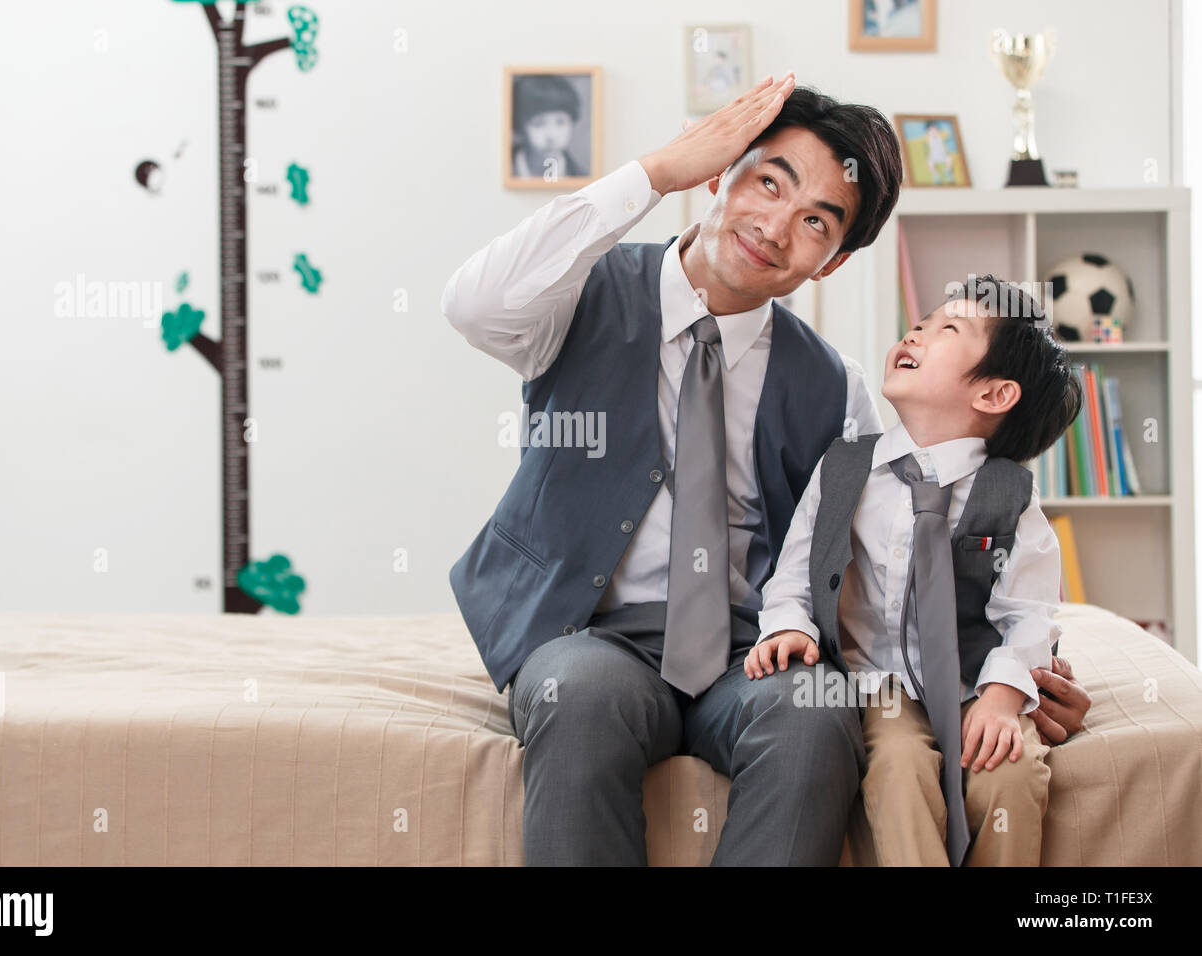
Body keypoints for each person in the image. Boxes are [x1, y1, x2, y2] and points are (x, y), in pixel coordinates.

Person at [443, 73, 1090, 866]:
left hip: (753, 652)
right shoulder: (581, 293)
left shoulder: (837, 386)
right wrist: (658, 171)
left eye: (817, 221)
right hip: (589, 636)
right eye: (767, 182)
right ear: (719, 174)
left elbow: (894, 552)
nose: (776, 226)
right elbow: (471, 306)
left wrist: (1009, 678)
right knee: (577, 697)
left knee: (815, 715)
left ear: (831, 263)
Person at [747, 276, 1083, 865]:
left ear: (995, 395)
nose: (916, 332)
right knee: (898, 767)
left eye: (947, 329)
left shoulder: (1011, 495)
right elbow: (793, 573)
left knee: (1013, 772)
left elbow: (1029, 614)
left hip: (974, 683)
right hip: (881, 686)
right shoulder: (843, 468)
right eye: (922, 322)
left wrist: (1004, 697)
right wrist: (787, 626)